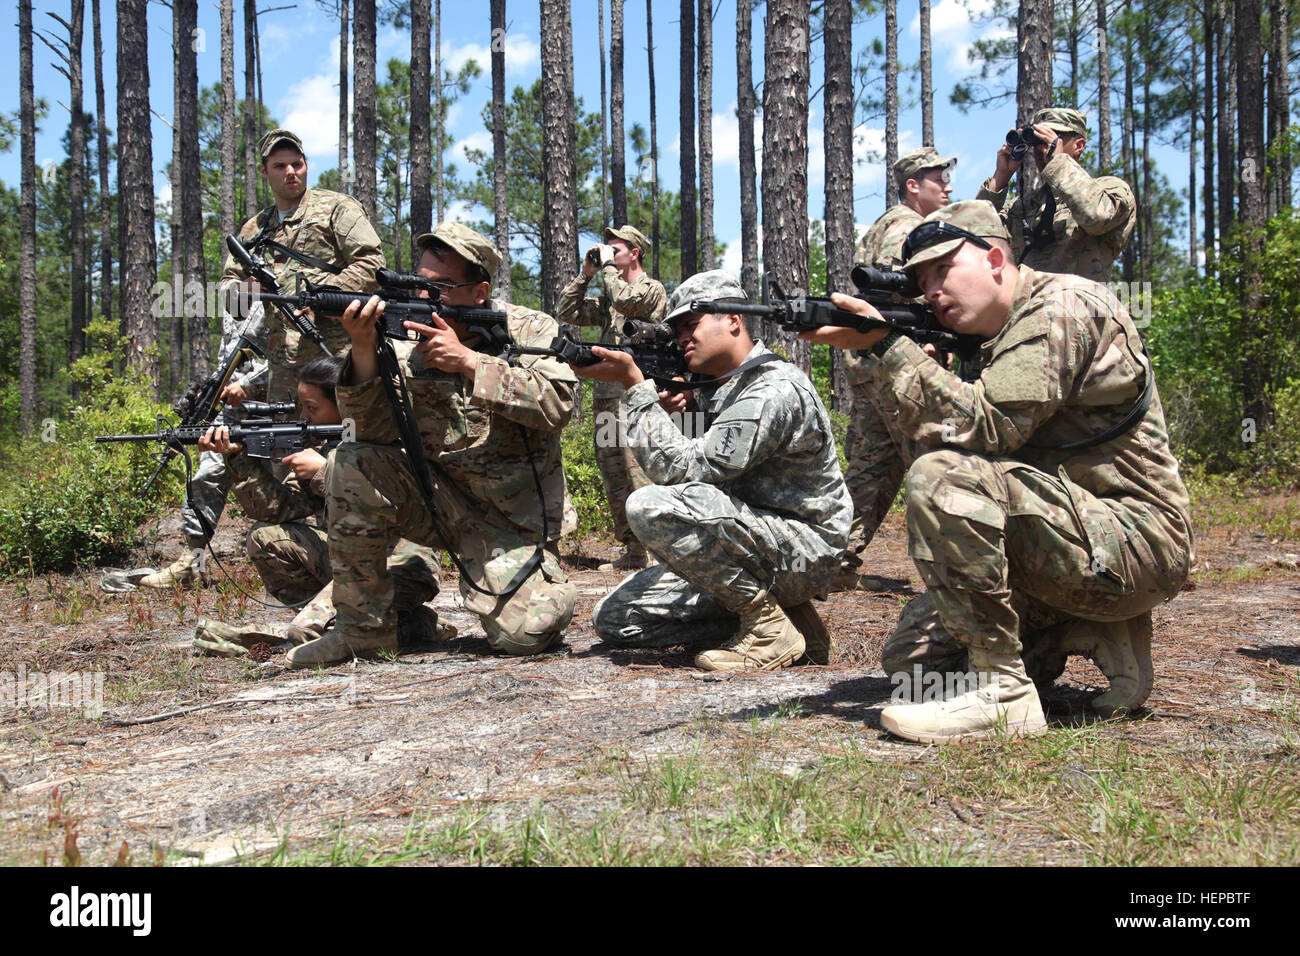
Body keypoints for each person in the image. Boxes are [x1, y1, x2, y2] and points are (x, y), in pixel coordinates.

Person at [799, 200, 1192, 742]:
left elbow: (981, 438)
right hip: (1061, 539)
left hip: (1135, 541)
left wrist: (890, 347)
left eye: (943, 269)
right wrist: (920, 371)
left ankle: (1004, 691)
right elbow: (948, 457)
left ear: (996, 259)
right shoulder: (984, 343)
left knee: (941, 478)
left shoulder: (1063, 305)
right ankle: (1091, 626)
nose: (932, 291)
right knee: (912, 666)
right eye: (920, 281)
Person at [283, 222, 579, 669]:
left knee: (525, 635)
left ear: (479, 291)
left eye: (440, 287)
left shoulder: (528, 327)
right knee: (351, 460)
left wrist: (471, 363)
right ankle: (364, 631)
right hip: (440, 505)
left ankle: (482, 596)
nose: (425, 297)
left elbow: (560, 404)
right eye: (421, 284)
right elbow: (369, 434)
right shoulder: (405, 341)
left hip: (513, 523)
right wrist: (364, 350)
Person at [584, 270, 851, 671]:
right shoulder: (720, 387)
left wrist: (634, 387)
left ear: (733, 320)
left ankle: (766, 626)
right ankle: (793, 623)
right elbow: (702, 452)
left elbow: (682, 472)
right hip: (752, 540)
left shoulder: (770, 389)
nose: (682, 339)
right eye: (677, 332)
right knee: (618, 618)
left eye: (692, 325)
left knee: (649, 505)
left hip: (803, 549)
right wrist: (682, 412)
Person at [190, 357, 442, 656]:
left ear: (344, 403)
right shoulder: (325, 444)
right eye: (302, 407)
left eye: (312, 408)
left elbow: (396, 508)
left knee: (303, 632)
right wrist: (237, 459)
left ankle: (360, 625)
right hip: (351, 561)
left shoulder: (391, 439)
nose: (305, 417)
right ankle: (393, 623)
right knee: (266, 538)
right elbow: (277, 509)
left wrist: (327, 472)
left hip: (402, 564)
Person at [839, 147, 956, 587]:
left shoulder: (889, 223)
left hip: (873, 360)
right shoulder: (907, 227)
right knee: (932, 457)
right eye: (937, 178)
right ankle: (952, 567)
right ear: (913, 185)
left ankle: (834, 558)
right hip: (896, 361)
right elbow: (896, 296)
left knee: (873, 462)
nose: (947, 186)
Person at [557, 225, 668, 571]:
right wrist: (585, 273)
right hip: (607, 398)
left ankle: (656, 550)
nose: (608, 255)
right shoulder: (608, 291)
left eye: (614, 250)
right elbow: (566, 310)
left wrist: (605, 270)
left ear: (634, 253)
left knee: (640, 470)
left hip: (637, 396)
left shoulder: (651, 289)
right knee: (614, 470)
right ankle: (634, 550)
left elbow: (625, 300)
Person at [139, 306, 269, 589]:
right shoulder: (235, 299)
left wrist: (251, 383)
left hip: (276, 408)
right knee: (205, 478)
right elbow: (229, 355)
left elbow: (298, 356)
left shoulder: (282, 290)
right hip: (230, 408)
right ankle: (191, 565)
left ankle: (313, 562)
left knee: (292, 480)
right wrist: (208, 393)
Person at [976, 107, 1135, 282]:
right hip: (1028, 306)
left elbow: (1096, 217)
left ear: (1079, 145)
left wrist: (1058, 161)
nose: (1041, 148)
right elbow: (975, 240)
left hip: (1079, 304)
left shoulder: (1110, 189)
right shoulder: (1025, 206)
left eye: (1053, 137)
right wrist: (1001, 175)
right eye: (1038, 139)